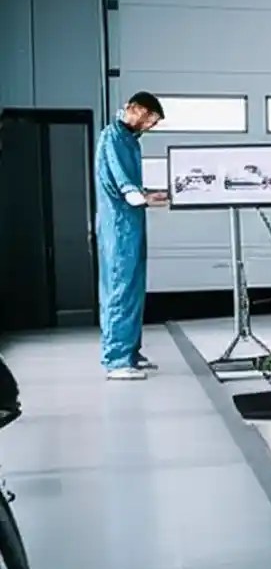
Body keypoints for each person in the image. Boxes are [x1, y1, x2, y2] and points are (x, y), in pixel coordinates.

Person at [96, 92, 168, 380]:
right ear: (134, 109)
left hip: (130, 226)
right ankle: (116, 360)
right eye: (149, 117)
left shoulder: (130, 141)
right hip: (120, 228)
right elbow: (126, 189)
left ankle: (129, 352)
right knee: (120, 291)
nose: (150, 124)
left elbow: (136, 191)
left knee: (133, 291)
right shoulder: (112, 138)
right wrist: (146, 197)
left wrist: (151, 194)